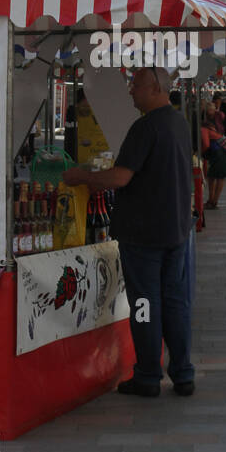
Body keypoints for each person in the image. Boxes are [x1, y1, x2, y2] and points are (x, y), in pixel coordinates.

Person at [64, 67, 194, 398]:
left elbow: (121, 178)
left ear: (155, 88)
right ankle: (183, 374)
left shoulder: (145, 126)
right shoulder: (178, 122)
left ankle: (149, 375)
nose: (130, 92)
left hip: (144, 232)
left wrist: (82, 177)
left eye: (135, 86)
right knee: (175, 302)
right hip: (176, 228)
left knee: (145, 304)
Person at [202, 103, 226, 209]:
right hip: (224, 150)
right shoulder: (219, 120)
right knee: (220, 177)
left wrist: (202, 152)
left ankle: (212, 201)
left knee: (212, 177)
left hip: (215, 152)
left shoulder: (205, 126)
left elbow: (206, 144)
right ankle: (214, 201)